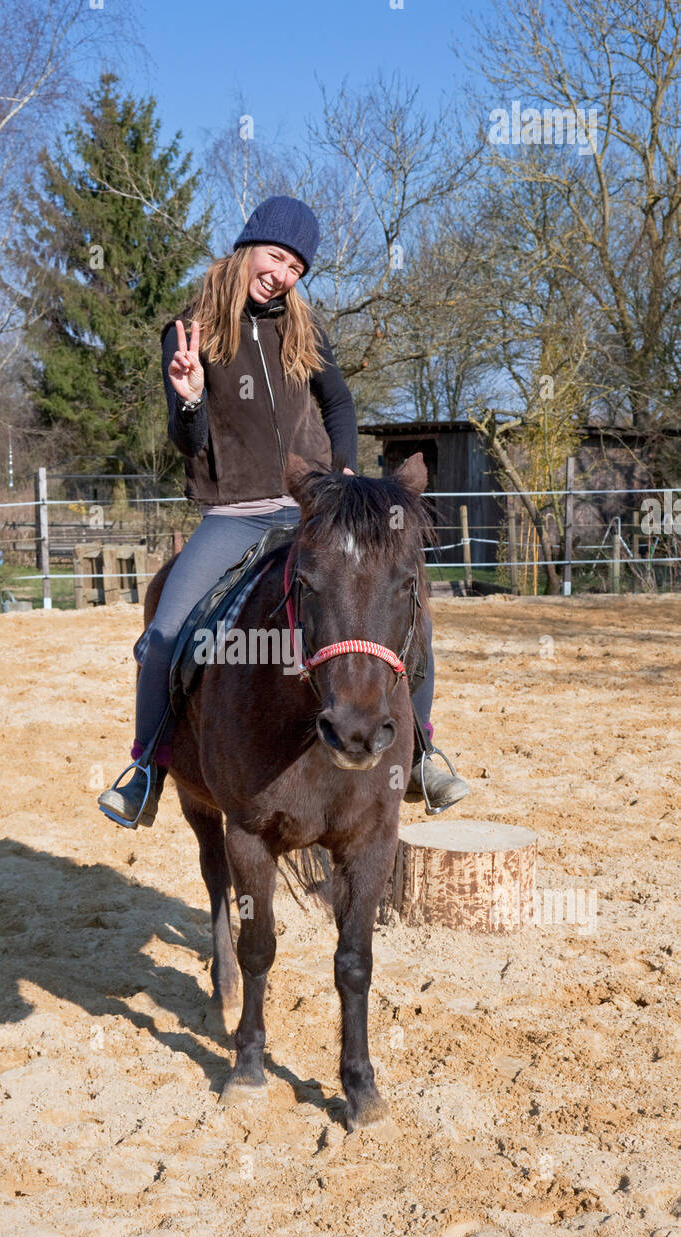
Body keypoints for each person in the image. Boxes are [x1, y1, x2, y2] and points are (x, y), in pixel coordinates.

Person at [98, 195, 470, 827]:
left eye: (299, 266)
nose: (285, 274)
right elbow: (187, 442)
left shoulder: (303, 326)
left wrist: (345, 474)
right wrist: (188, 399)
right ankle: (146, 769)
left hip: (313, 509)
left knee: (412, 619)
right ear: (248, 248)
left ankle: (421, 757)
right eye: (277, 256)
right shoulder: (188, 330)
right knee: (163, 636)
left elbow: (340, 405)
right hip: (233, 512)